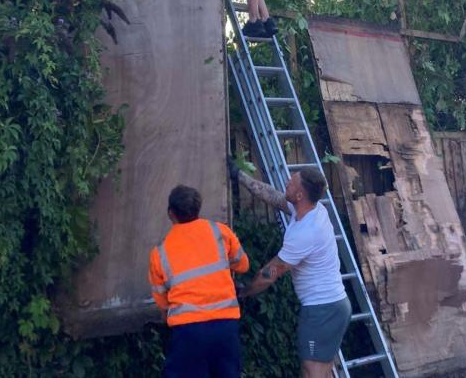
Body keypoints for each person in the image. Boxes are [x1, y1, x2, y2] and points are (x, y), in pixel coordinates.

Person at [228, 160, 350, 378]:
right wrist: (240, 176)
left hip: (321, 309)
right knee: (323, 369)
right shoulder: (312, 209)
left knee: (312, 371)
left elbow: (269, 274)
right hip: (334, 306)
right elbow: (273, 196)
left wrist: (244, 292)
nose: (286, 183)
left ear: (300, 195)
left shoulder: (305, 232)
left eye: (291, 183)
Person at [149, 185, 250, 377]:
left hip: (188, 332)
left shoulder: (159, 253)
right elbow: (243, 265)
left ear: (171, 213)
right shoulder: (220, 232)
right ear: (198, 209)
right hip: (225, 326)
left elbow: (163, 304)